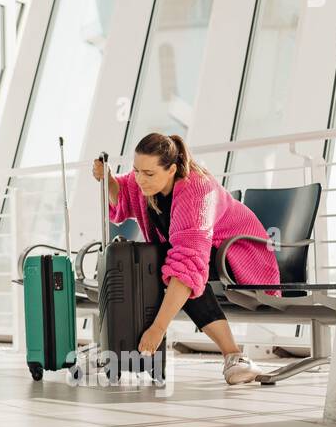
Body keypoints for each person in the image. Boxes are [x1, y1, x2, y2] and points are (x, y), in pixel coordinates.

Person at [93, 132, 281, 385]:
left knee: (181, 271)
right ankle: (127, 348)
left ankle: (234, 356)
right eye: (136, 170)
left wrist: (157, 329)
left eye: (149, 174)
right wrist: (108, 180)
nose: (140, 179)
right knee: (163, 263)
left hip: (241, 256)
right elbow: (123, 194)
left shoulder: (197, 190)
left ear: (171, 169)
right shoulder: (144, 182)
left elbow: (188, 264)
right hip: (205, 256)